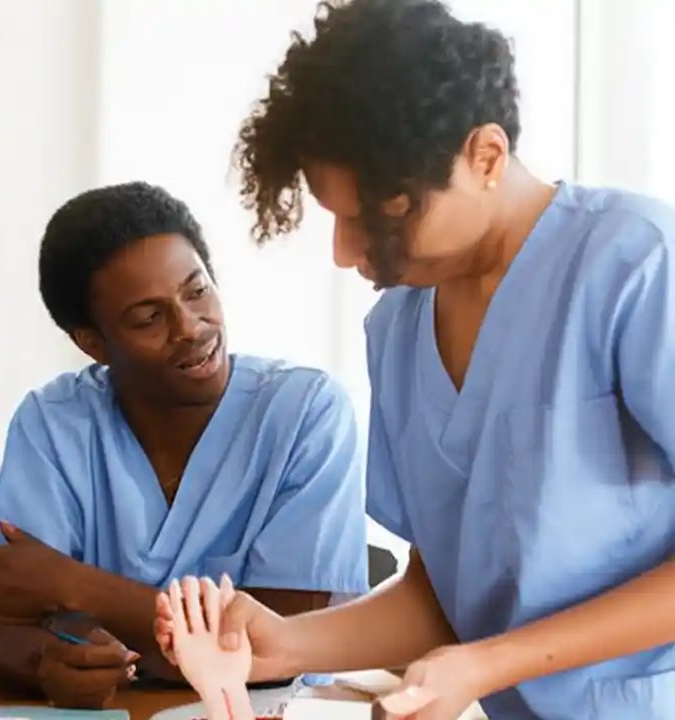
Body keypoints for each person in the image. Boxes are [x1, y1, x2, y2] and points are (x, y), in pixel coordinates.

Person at [156, 1, 675, 718]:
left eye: (380, 215)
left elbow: (482, 642)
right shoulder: (398, 329)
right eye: (335, 216)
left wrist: (490, 663)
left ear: (485, 156)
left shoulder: (637, 266)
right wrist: (288, 643)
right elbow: (445, 597)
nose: (345, 251)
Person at [0, 183, 368, 708]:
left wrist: (74, 586)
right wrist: (47, 666)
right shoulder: (56, 422)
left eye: (197, 291)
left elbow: (275, 645)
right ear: (94, 343)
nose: (191, 328)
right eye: (148, 318)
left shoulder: (305, 413)